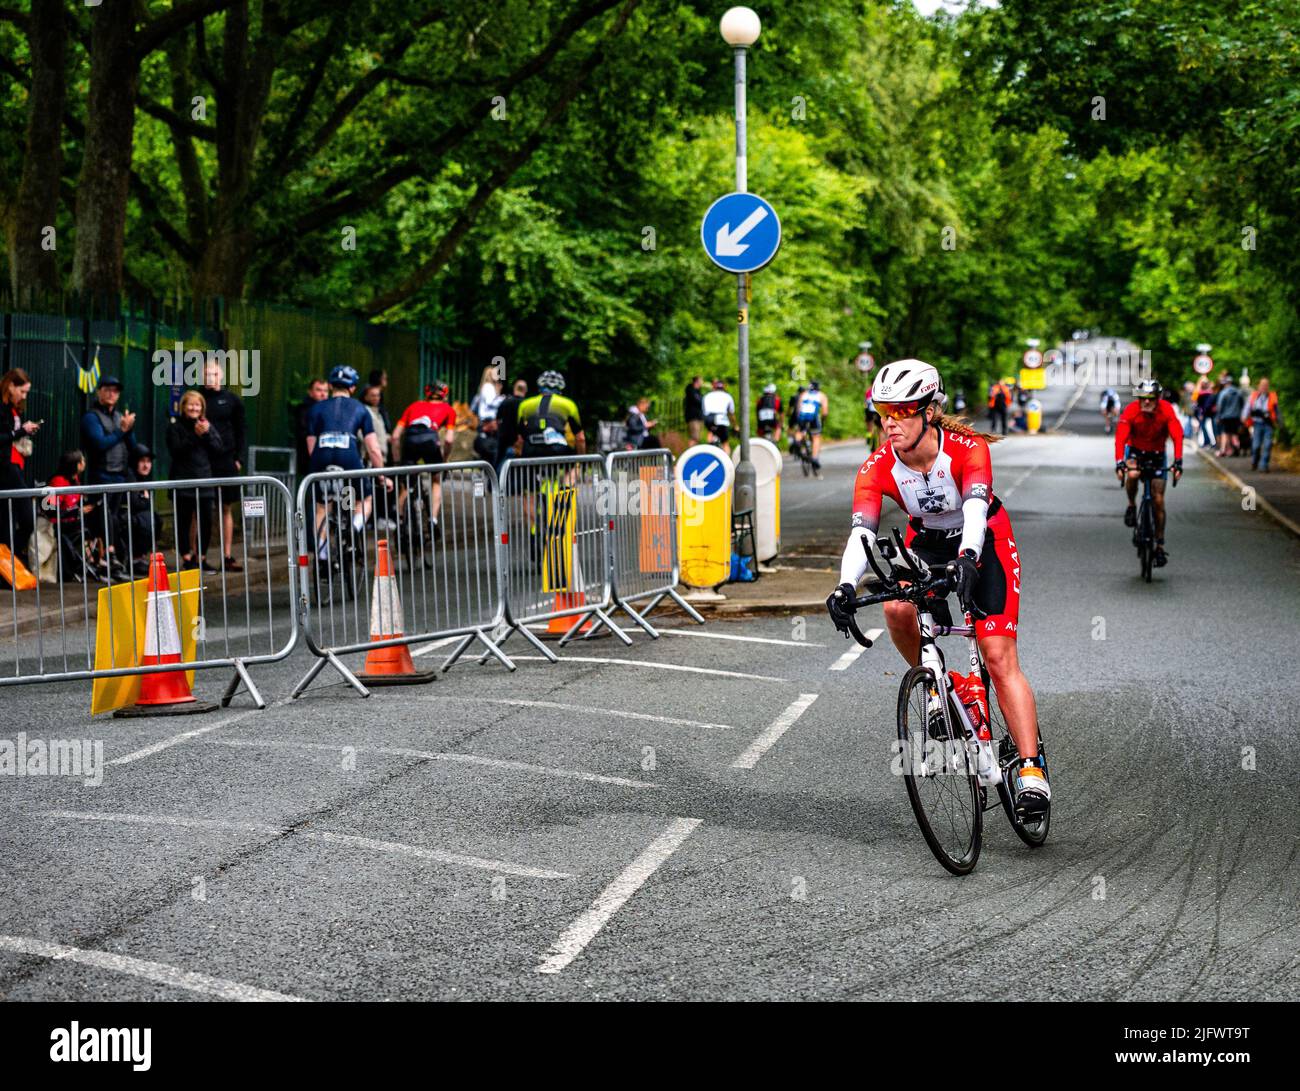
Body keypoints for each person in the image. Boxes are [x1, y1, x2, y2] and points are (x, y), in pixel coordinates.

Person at [825, 359, 1049, 814]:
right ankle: (943, 687)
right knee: (896, 609)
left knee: (998, 654)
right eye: (883, 412)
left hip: (983, 538)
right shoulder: (876, 467)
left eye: (901, 411)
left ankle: (1031, 767)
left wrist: (967, 558)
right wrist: (845, 586)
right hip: (924, 541)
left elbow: (973, 511)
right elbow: (863, 533)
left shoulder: (967, 449)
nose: (889, 422)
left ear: (929, 411)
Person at [305, 365, 386, 553]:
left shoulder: (316, 409)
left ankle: (322, 555)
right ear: (353, 388)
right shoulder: (361, 409)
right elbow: (373, 448)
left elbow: (311, 447)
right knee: (364, 500)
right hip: (348, 455)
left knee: (322, 507)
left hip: (322, 456)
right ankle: (354, 528)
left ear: (331, 386)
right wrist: (381, 476)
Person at [1115, 378, 1183, 567]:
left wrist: (1178, 461)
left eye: (1151, 398)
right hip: (1136, 451)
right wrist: (1119, 462)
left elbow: (1177, 434)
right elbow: (1121, 436)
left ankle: (1159, 545)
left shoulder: (1166, 409)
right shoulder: (1131, 410)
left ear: (1158, 398)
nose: (1146, 402)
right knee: (1133, 474)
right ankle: (1131, 504)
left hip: (1157, 455)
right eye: (1142, 398)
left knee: (1158, 500)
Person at [80, 374, 138, 577]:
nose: (112, 393)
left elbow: (133, 447)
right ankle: (107, 557)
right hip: (101, 475)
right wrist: (122, 430)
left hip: (119, 476)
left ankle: (114, 558)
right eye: (107, 389)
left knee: (113, 517)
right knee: (103, 517)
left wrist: (128, 429)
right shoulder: (91, 417)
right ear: (99, 392)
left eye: (115, 390)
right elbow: (99, 444)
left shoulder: (119, 416)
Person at [167, 391, 226, 571]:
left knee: (206, 521)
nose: (194, 408)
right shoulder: (175, 428)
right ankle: (186, 556)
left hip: (204, 481)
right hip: (183, 481)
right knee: (183, 521)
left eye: (197, 405)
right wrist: (194, 435)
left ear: (202, 408)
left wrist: (206, 434)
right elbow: (176, 450)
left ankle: (201, 557)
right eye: (190, 405)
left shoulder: (207, 426)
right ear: (184, 406)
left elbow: (218, 449)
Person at [389, 379, 455, 535]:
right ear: (444, 394)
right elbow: (449, 439)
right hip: (430, 440)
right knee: (436, 480)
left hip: (410, 440)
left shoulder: (413, 406)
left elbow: (395, 436)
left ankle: (400, 521)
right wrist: (444, 461)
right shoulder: (448, 409)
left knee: (406, 484)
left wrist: (398, 461)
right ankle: (432, 520)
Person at [200, 355, 248, 572]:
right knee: (199, 508)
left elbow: (241, 430)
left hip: (226, 459)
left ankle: (227, 555)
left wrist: (239, 458)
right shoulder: (196, 399)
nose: (210, 378)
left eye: (214, 374)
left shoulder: (232, 400)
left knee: (225, 507)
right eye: (206, 375)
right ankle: (195, 556)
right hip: (202, 460)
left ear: (221, 376)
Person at [0, 368, 41, 562]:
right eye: (22, 391)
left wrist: (23, 431)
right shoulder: (3, 408)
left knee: (11, 520)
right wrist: (20, 432)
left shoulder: (12, 409)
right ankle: (8, 563)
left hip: (12, 467)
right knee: (22, 518)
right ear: (10, 386)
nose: (23, 396)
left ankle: (8, 563)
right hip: (6, 468)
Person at [42, 449, 99, 582]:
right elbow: (51, 509)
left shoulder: (75, 479)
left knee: (103, 514)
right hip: (60, 523)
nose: (84, 463)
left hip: (73, 520)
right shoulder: (58, 482)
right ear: (77, 465)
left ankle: (100, 557)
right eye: (82, 460)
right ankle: (95, 558)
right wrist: (76, 511)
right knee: (98, 520)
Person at [118, 444, 166, 574]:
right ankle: (134, 558)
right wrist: (144, 499)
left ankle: (141, 555)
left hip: (135, 519)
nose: (146, 465)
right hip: (125, 519)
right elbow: (135, 503)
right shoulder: (130, 477)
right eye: (142, 461)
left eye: (149, 462)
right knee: (146, 519)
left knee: (155, 519)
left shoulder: (142, 478)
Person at [517, 371, 585, 457]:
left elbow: (519, 439)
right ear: (560, 387)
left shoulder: (524, 404)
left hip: (530, 450)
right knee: (568, 466)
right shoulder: (569, 404)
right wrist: (581, 463)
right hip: (557, 449)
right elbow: (580, 438)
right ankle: (570, 471)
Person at [293, 377, 329, 477]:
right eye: (319, 390)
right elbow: (304, 432)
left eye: (325, 390)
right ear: (310, 392)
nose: (323, 394)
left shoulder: (329, 408)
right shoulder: (304, 409)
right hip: (309, 459)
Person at [471, 366, 504, 467]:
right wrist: (503, 399)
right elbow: (491, 402)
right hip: (489, 422)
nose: (498, 375)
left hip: (484, 423)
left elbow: (474, 407)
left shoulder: (484, 387)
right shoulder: (488, 387)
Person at [494, 378, 528, 477]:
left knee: (500, 461)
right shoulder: (525, 404)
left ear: (514, 389)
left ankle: (493, 485)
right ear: (525, 390)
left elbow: (497, 419)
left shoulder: (505, 402)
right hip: (518, 440)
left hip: (503, 437)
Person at [794, 381, 829, 476]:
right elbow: (825, 412)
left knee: (800, 431)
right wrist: (823, 419)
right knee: (816, 437)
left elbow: (798, 409)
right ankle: (814, 458)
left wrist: (799, 419)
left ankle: (797, 441)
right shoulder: (821, 395)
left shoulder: (803, 394)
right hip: (813, 418)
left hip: (802, 417)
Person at [1246, 377, 1279, 472]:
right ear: (1258, 386)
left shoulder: (1272, 396)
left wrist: (1278, 422)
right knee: (1256, 445)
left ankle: (1264, 464)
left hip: (1268, 424)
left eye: (1266, 385)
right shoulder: (1254, 396)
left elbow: (1277, 411)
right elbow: (1248, 408)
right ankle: (1254, 461)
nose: (1264, 387)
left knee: (1268, 444)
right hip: (1257, 424)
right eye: (1262, 385)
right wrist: (1244, 418)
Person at [1214, 374, 1245, 459]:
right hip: (1236, 416)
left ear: (1225, 384)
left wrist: (1218, 417)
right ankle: (1237, 447)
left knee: (1226, 433)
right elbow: (1242, 403)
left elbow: (1220, 406)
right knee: (1234, 433)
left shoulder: (1223, 393)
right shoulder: (1238, 392)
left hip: (1226, 416)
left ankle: (1226, 450)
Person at [701, 379, 736, 453]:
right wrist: (735, 425)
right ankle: (727, 460)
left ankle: (709, 449)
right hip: (721, 418)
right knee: (725, 442)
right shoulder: (728, 396)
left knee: (710, 432)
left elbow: (704, 411)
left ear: (714, 387)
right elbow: (731, 413)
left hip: (709, 418)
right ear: (723, 388)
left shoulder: (707, 396)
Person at [359, 384, 389, 464]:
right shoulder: (364, 411)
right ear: (365, 397)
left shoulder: (379, 413)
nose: (376, 398)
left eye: (378, 395)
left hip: (381, 455)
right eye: (373, 395)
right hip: (370, 456)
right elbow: (361, 434)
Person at [1193, 376, 1216, 448]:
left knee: (1204, 426)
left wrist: (1201, 413)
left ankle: (1207, 441)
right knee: (1211, 427)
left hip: (1205, 412)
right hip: (1210, 412)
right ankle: (1212, 442)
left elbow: (1200, 405)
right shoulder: (1211, 392)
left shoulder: (1202, 393)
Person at [683, 376, 705, 446]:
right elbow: (699, 402)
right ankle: (691, 455)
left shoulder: (698, 392)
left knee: (697, 438)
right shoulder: (691, 392)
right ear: (697, 382)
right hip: (693, 418)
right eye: (701, 380)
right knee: (694, 438)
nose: (702, 382)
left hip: (699, 417)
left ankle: (695, 454)